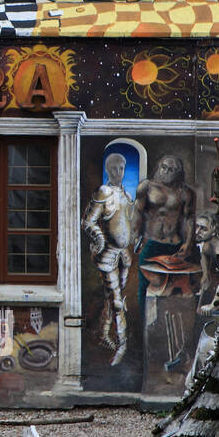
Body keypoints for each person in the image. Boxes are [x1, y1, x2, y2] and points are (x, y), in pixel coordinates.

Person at [134, 154, 199, 373]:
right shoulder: (146, 187)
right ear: (158, 167)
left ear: (179, 171)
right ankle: (145, 340)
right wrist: (136, 236)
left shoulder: (185, 192)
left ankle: (178, 347)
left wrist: (189, 244)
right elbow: (137, 211)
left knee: (178, 291)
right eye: (165, 167)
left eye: (173, 169)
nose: (168, 172)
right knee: (146, 288)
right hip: (151, 244)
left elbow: (190, 219)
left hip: (175, 246)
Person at [83, 152, 135, 365]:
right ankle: (122, 344)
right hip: (107, 254)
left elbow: (128, 222)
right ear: (107, 170)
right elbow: (88, 222)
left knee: (114, 297)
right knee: (115, 301)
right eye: (114, 168)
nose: (118, 172)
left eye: (121, 168)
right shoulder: (103, 192)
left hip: (124, 254)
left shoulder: (126, 195)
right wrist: (100, 239)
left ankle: (104, 335)